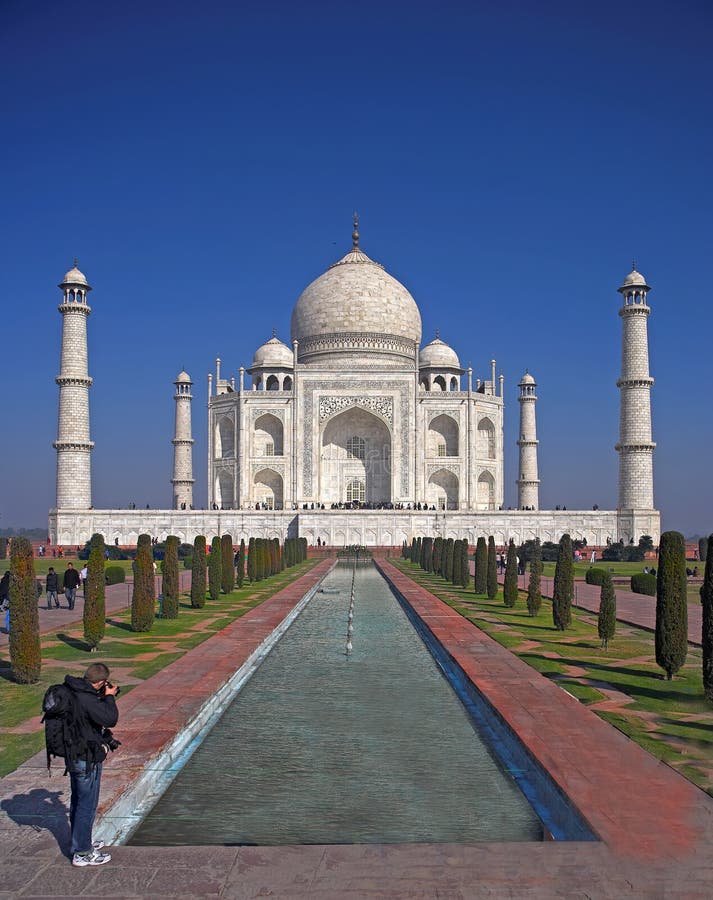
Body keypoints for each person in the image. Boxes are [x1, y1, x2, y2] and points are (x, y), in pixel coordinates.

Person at [64, 662, 119, 867]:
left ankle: (80, 842)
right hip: (86, 757)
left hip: (73, 754)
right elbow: (110, 719)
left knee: (78, 801)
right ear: (101, 682)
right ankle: (83, 853)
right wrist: (110, 697)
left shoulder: (71, 691)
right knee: (87, 804)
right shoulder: (87, 698)